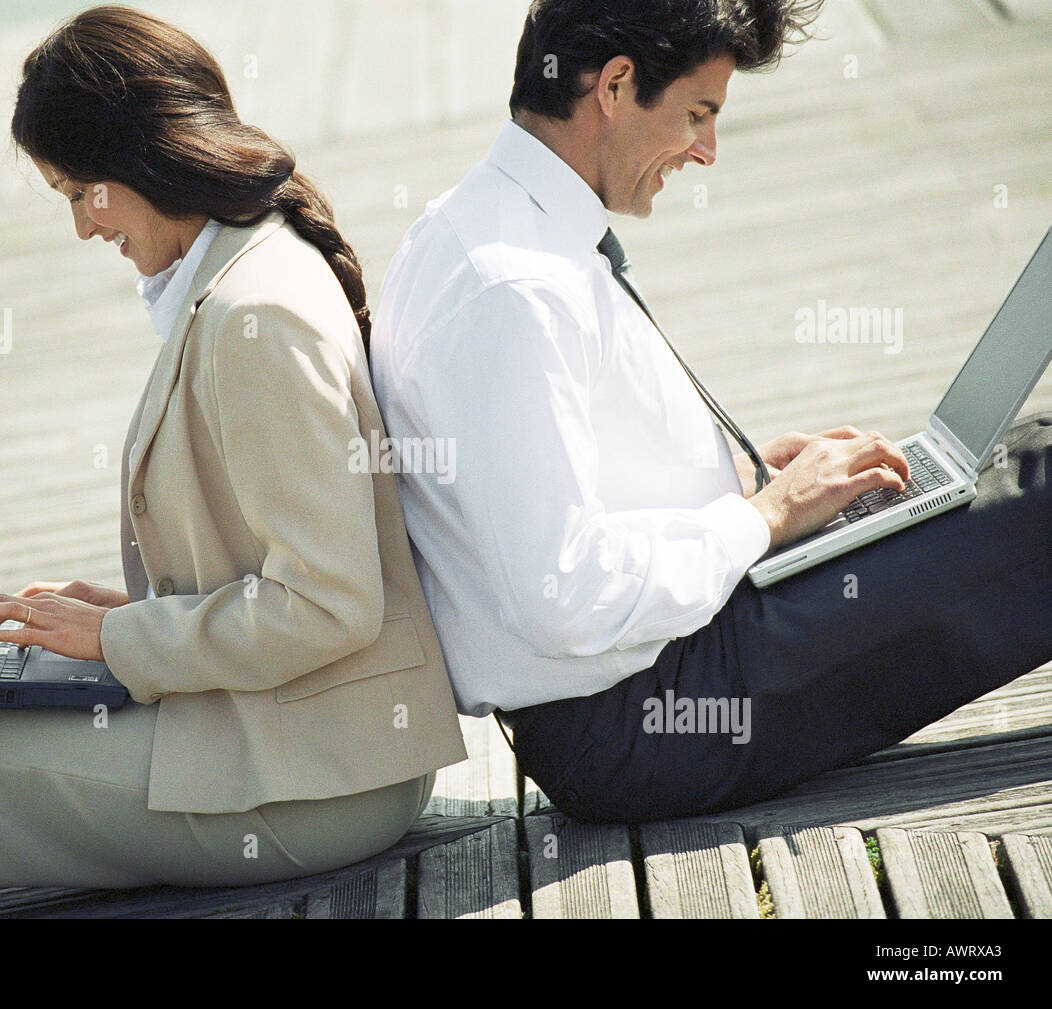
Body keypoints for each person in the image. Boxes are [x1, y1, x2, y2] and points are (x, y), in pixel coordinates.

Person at [0, 4, 466, 918]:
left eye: (77, 193)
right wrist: (128, 615)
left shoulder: (257, 318)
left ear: (142, 157)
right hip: (289, 742)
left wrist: (121, 642)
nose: (85, 230)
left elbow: (330, 604)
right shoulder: (240, 276)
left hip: (310, 785)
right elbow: (287, 570)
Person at [370, 0, 1052, 824]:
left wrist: (736, 479)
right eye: (698, 114)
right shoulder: (516, 289)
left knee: (1012, 465)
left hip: (647, 674)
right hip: (646, 719)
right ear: (616, 86)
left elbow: (527, 500)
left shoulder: (466, 229)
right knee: (1039, 502)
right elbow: (558, 590)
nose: (707, 151)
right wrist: (767, 516)